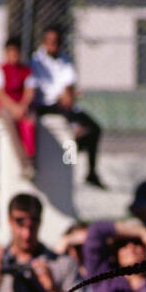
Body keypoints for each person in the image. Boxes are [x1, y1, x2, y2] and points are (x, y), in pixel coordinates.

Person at [30, 25, 104, 188]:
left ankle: (88, 170)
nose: (53, 46)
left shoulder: (65, 60)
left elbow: (68, 87)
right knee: (70, 126)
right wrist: (62, 96)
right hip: (45, 105)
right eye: (49, 42)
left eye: (56, 42)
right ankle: (66, 155)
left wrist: (67, 96)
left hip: (65, 106)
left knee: (95, 128)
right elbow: (40, 89)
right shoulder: (35, 61)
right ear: (43, 42)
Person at [0, 37, 37, 179]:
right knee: (9, 123)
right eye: (11, 52)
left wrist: (22, 106)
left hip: (21, 106)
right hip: (5, 107)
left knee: (30, 121)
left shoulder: (26, 71)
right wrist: (14, 108)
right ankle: (24, 163)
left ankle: (32, 159)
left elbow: (29, 91)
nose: (14, 55)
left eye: (16, 52)